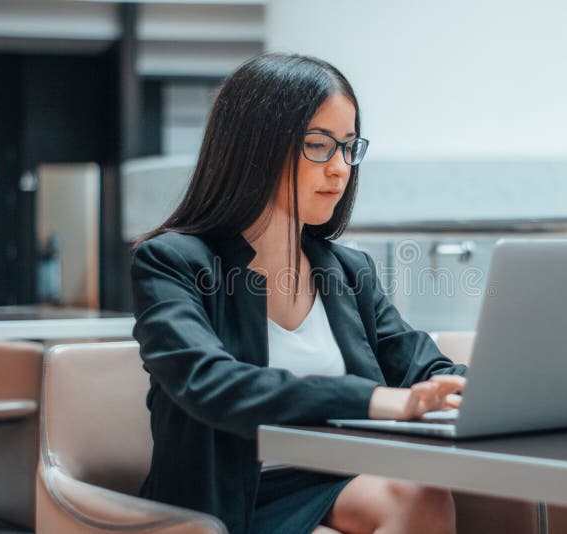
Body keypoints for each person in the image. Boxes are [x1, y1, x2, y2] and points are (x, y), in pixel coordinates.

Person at [131, 52, 467, 534]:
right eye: (318, 145)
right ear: (255, 147)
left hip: (332, 481)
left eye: (349, 147)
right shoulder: (172, 261)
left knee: (421, 492)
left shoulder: (347, 269)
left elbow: (418, 362)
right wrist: (377, 400)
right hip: (224, 498)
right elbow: (211, 382)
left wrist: (481, 389)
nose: (339, 168)